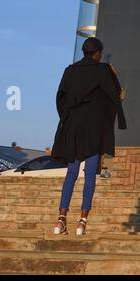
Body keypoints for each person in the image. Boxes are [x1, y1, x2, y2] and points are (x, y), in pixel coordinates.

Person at [51, 37, 126, 236]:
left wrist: (68, 120)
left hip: (73, 129)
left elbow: (60, 98)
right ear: (98, 53)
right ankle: (82, 222)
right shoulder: (103, 70)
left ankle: (61, 220)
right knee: (90, 173)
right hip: (93, 130)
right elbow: (116, 96)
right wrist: (115, 78)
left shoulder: (69, 71)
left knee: (71, 173)